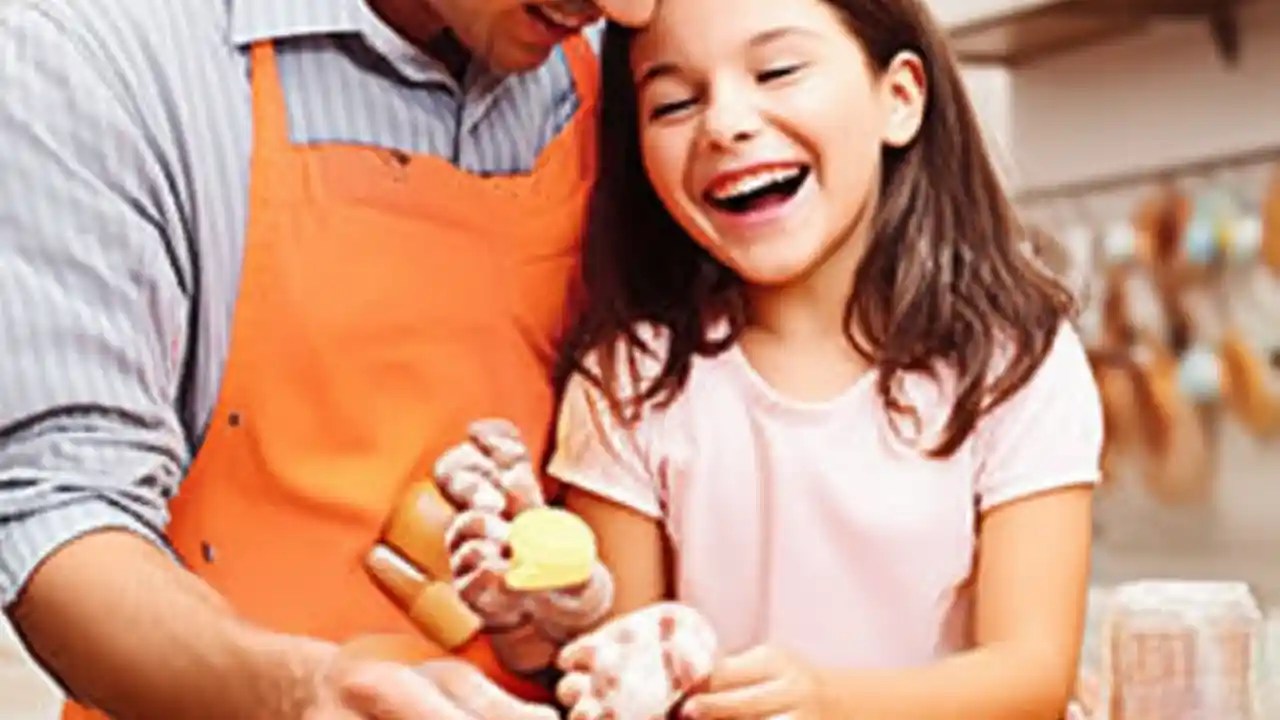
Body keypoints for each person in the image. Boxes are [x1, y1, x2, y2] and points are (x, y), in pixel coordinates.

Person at [435, 0, 1105, 717]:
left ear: (901, 99)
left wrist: (826, 702)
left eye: (778, 70)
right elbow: (614, 669)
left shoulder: (1017, 362)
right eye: (674, 102)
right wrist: (541, 609)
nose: (724, 124)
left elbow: (1032, 676)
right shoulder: (628, 380)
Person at [0, 0, 655, 718]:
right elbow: (59, 512)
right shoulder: (95, 56)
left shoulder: (620, 49)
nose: (634, 8)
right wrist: (299, 696)